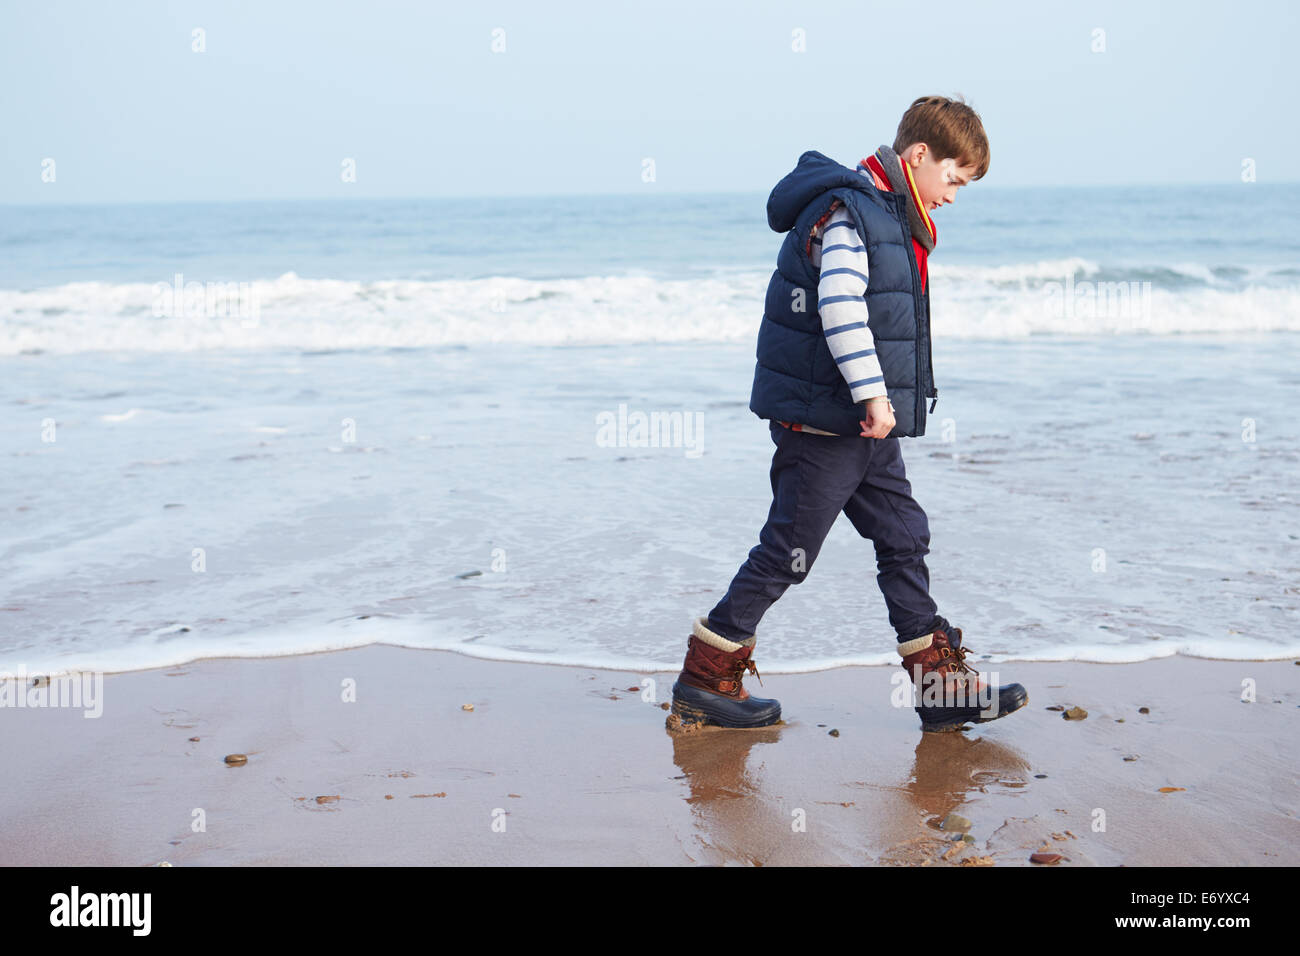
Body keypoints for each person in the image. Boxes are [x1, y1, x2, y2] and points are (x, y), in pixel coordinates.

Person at [670, 95, 1028, 734]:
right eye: (953, 178)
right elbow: (839, 306)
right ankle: (704, 680)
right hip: (827, 422)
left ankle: (940, 688)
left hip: (862, 424)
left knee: (904, 535)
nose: (952, 195)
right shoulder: (852, 213)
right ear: (919, 157)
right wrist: (872, 394)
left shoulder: (887, 214)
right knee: (789, 551)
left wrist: (874, 404)